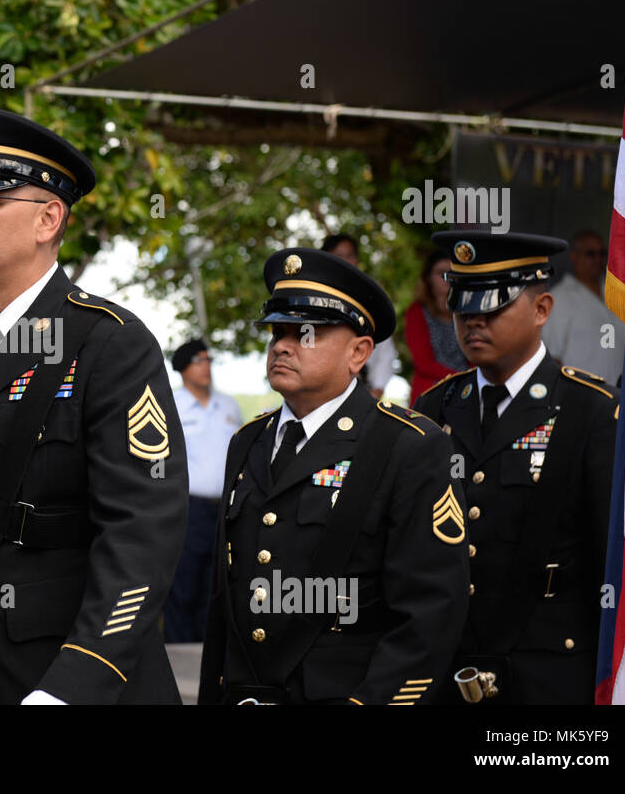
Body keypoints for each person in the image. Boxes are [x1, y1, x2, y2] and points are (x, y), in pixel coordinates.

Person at [0, 107, 188, 705]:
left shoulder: (108, 341)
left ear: (48, 218)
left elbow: (142, 531)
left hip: (65, 671)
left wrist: (76, 681)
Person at [198, 248, 470, 705]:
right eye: (277, 331)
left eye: (305, 333)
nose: (282, 345)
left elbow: (429, 615)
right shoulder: (248, 442)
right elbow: (223, 604)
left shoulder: (406, 444)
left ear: (359, 352)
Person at [413, 231, 617, 705]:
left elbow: (606, 561)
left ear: (542, 310)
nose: (473, 323)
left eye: (492, 309)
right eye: (464, 309)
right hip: (451, 663)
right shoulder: (436, 406)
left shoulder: (590, 409)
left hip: (548, 667)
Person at [165, 338, 241, 644]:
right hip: (187, 508)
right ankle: (179, 655)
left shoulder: (229, 405)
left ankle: (208, 653)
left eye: (209, 359)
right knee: (184, 583)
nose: (206, 365)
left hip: (225, 508)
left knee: (217, 582)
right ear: (183, 369)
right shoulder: (171, 405)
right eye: (199, 360)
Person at [542, 229, 625, 386]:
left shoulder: (620, 294)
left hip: (621, 396)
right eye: (590, 254)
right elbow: (552, 357)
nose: (598, 259)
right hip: (581, 397)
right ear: (574, 255)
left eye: (602, 253)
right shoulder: (559, 298)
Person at [321, 234, 398, 398]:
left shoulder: (371, 297)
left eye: (350, 255)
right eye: (338, 256)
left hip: (363, 390)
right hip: (324, 390)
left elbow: (385, 350)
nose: (345, 261)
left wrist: (377, 389)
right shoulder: (316, 298)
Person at [404, 249, 468, 403]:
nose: (447, 278)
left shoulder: (465, 309)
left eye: (451, 272)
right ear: (428, 278)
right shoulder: (417, 312)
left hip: (466, 390)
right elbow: (423, 363)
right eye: (441, 273)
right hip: (431, 391)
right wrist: (461, 377)